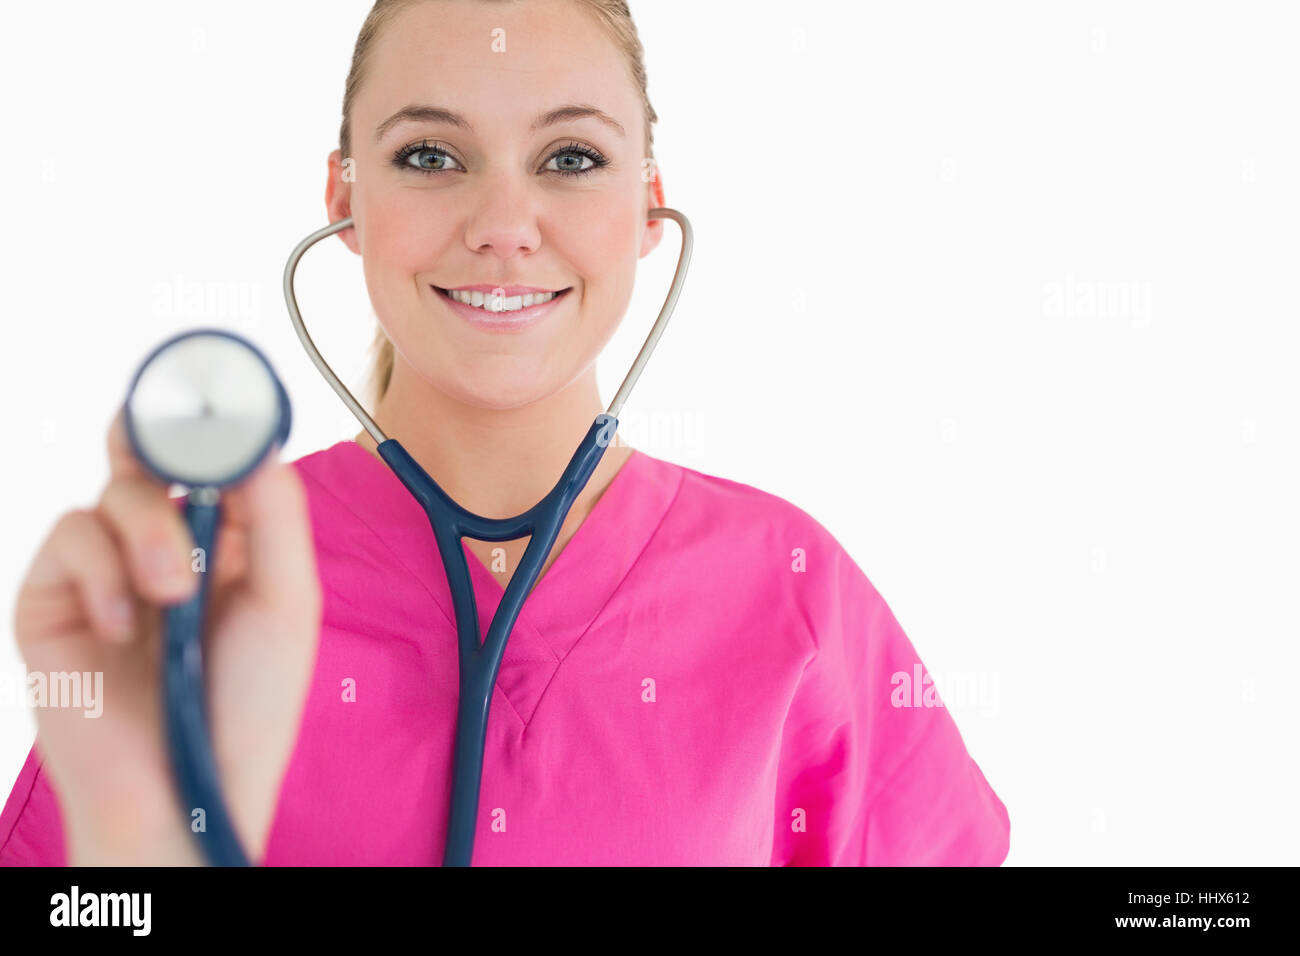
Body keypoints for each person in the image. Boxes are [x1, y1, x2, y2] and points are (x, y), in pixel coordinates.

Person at [0, 0, 1009, 866]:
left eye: (571, 157)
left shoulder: (790, 582)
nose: (503, 222)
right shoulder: (189, 581)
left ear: (647, 205)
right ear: (344, 198)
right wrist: (134, 856)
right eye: (430, 155)